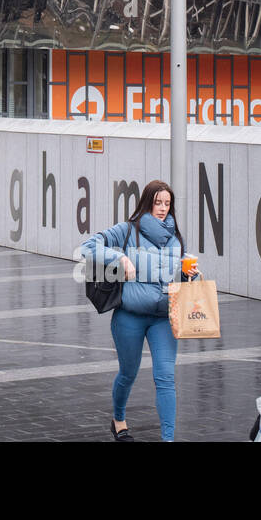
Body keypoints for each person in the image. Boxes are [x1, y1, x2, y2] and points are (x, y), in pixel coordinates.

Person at [80, 180, 185, 442]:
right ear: (147, 202)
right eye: (158, 202)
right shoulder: (127, 230)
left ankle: (168, 439)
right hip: (130, 317)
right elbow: (88, 246)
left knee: (166, 377)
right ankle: (118, 420)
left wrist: (187, 274)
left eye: (167, 203)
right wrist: (119, 257)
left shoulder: (175, 238)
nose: (163, 208)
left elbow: (175, 278)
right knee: (128, 373)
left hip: (163, 318)